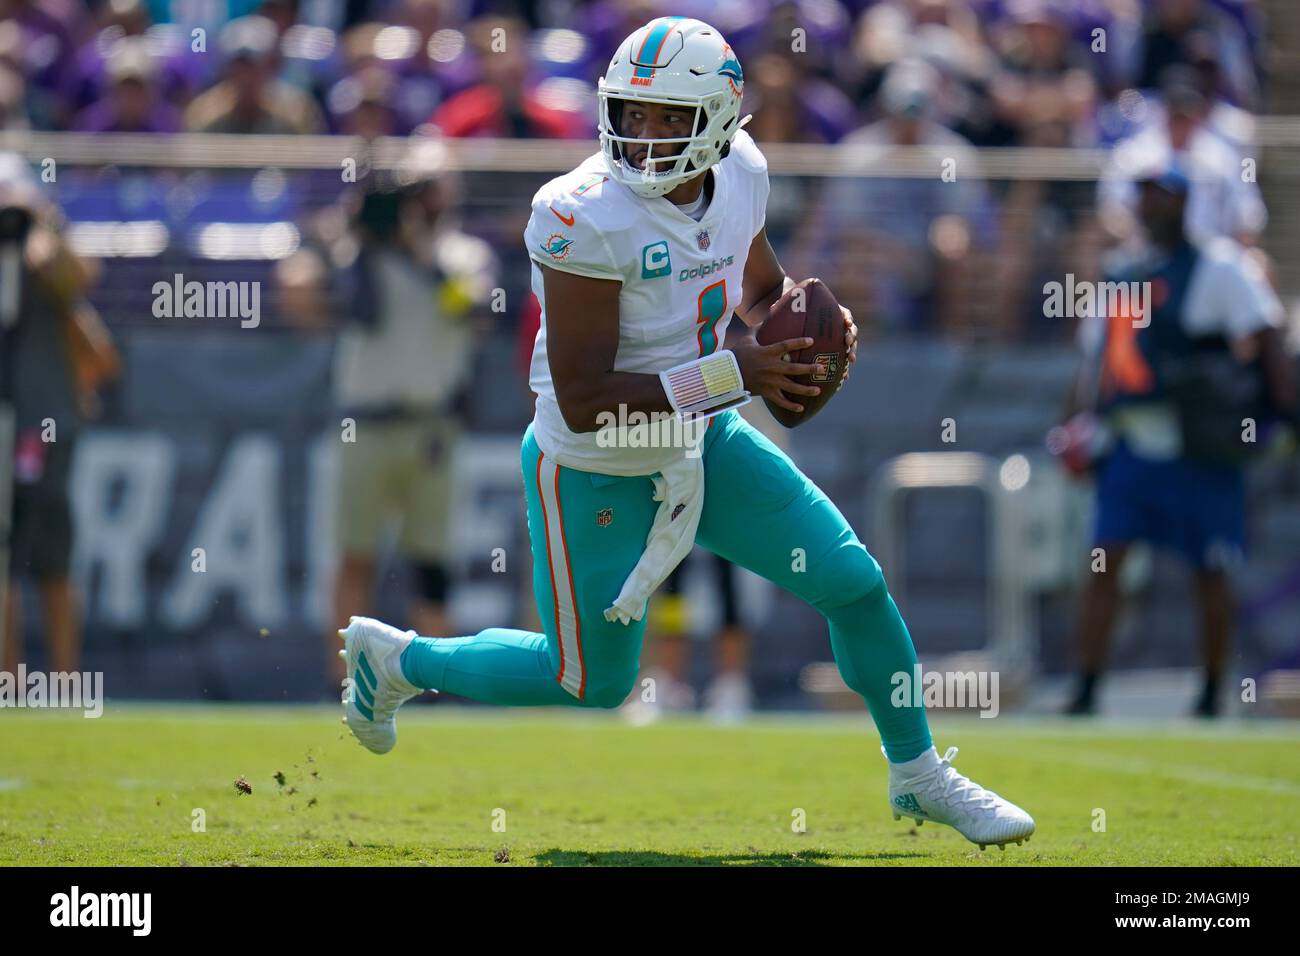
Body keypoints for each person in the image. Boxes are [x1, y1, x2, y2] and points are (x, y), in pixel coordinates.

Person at [338, 17, 1035, 850]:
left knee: (853, 582)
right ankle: (399, 662)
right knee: (590, 681)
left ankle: (921, 776)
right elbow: (589, 394)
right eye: (633, 113)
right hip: (595, 462)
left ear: (719, 117)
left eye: (670, 117)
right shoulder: (579, 213)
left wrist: (801, 324)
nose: (645, 134)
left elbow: (759, 289)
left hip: (701, 439)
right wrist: (740, 372)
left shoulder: (740, 171)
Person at [1060, 162, 1296, 718]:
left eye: (1163, 196)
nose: (1152, 206)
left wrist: (1281, 412)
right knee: (1104, 561)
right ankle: (1087, 687)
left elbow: (1264, 334)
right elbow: (1097, 359)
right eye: (1144, 196)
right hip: (1132, 444)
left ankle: (1213, 691)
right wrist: (1075, 421)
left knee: (1211, 568)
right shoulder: (1123, 273)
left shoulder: (1219, 267)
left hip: (1199, 445)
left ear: (1184, 203)